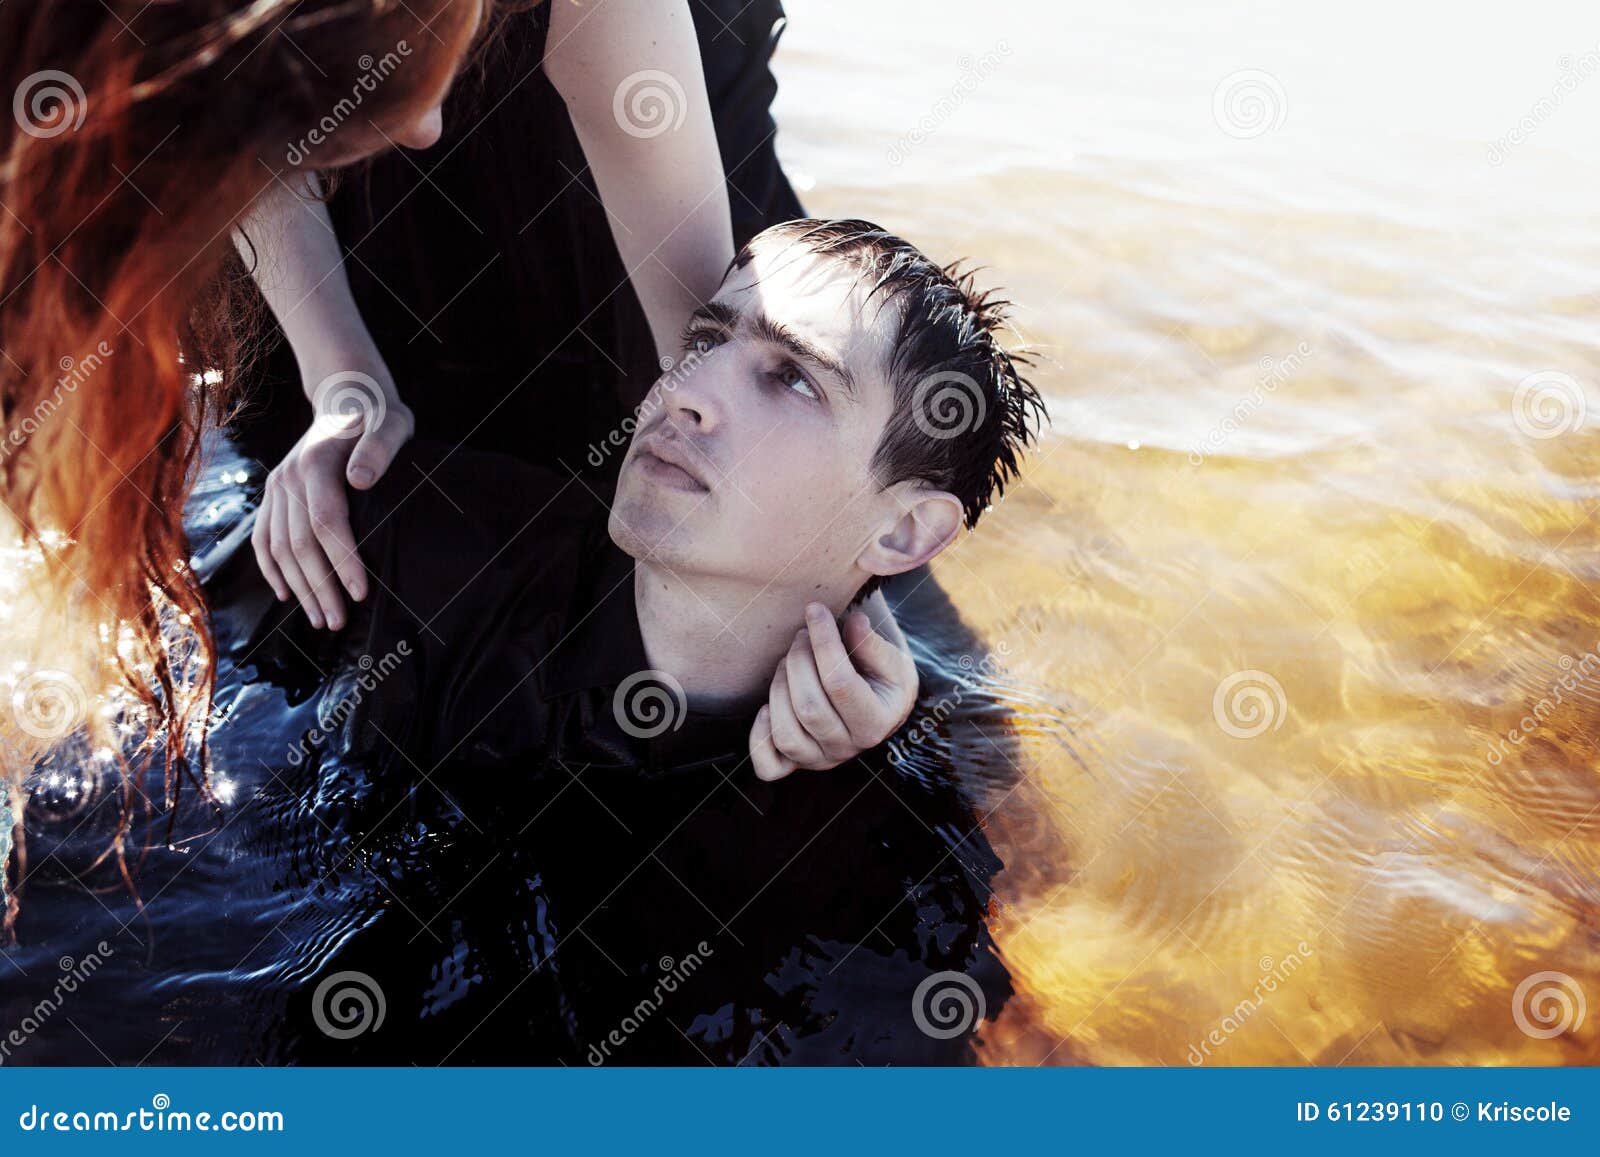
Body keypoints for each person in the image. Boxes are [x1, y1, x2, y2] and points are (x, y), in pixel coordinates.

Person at [235, 0, 916, 779]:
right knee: (333, 584)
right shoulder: (231, 68)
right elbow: (235, 115)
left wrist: (850, 586)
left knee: (870, 674)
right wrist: (340, 378)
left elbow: (702, 351)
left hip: (673, 167)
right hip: (372, 244)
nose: (426, 128)